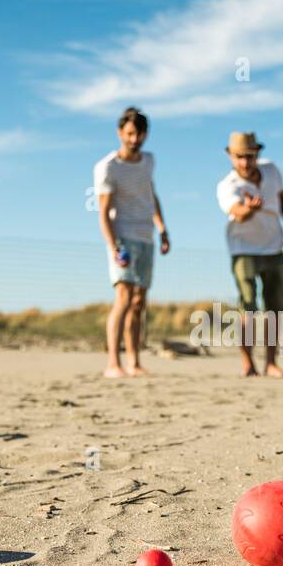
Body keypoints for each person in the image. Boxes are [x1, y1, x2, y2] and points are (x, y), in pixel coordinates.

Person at [93, 107, 170, 377]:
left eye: (140, 134)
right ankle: (113, 363)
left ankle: (134, 362)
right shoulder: (108, 167)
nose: (135, 139)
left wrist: (162, 229)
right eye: (130, 133)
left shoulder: (149, 161)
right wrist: (114, 246)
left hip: (146, 236)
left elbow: (151, 195)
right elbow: (103, 212)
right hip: (122, 236)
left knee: (139, 302)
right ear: (120, 133)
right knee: (123, 298)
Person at [215, 131, 283, 377]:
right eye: (239, 156)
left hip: (274, 248)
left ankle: (271, 363)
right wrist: (249, 209)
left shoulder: (272, 171)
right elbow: (237, 212)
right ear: (230, 156)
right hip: (244, 252)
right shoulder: (227, 186)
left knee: (276, 309)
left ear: (257, 154)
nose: (244, 162)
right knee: (248, 309)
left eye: (249, 156)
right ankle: (247, 363)